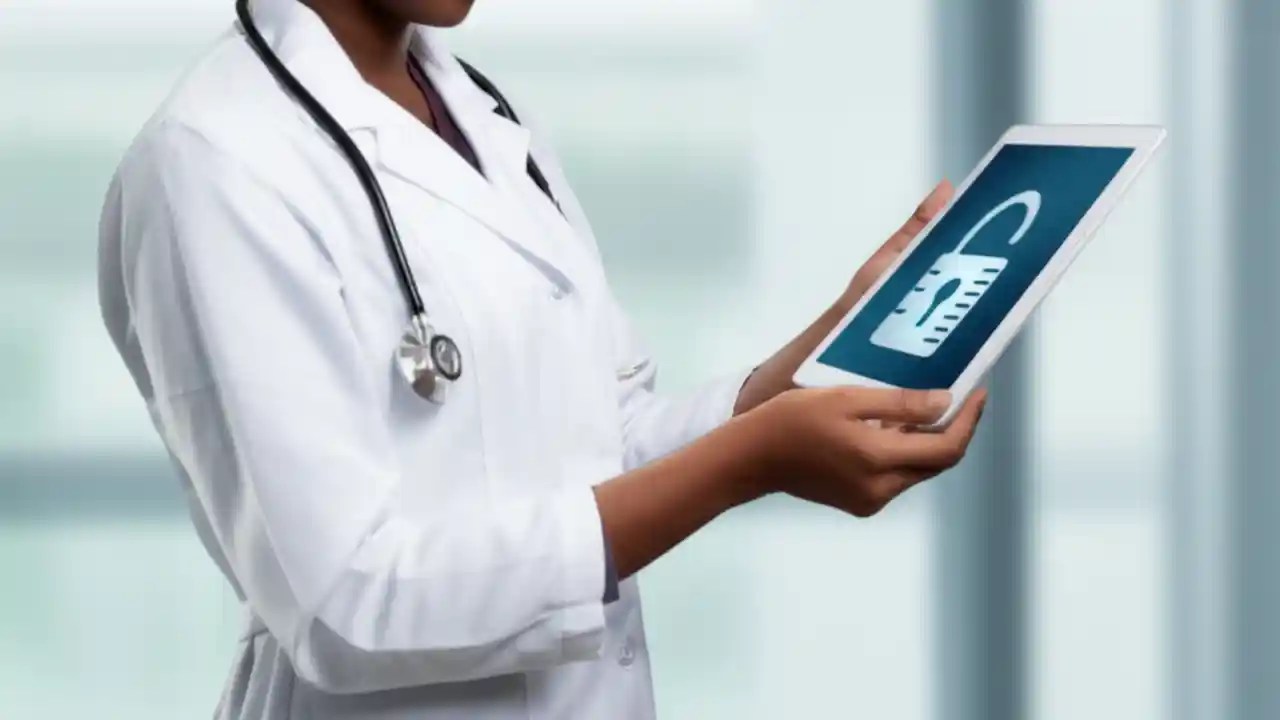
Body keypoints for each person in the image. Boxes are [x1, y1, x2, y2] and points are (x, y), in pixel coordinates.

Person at [97, 0, 987, 717]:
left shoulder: (477, 111)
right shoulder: (213, 160)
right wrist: (750, 464)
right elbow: (345, 605)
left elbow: (608, 437)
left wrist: (818, 355)